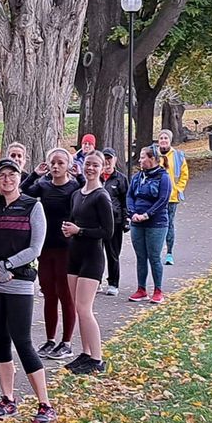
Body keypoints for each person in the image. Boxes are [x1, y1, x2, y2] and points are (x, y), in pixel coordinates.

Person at [0, 158, 54, 423]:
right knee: (1, 338)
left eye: (12, 175)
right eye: (2, 175)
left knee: (22, 340)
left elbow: (35, 248)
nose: (7, 179)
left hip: (19, 281)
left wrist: (6, 265)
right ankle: (8, 398)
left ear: (20, 177)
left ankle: (44, 403)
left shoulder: (33, 206)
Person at [23, 148, 80, 360]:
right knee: (49, 293)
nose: (56, 167)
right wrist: (35, 174)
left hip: (66, 248)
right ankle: (50, 340)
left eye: (60, 163)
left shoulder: (74, 187)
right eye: (52, 163)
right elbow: (22, 192)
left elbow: (89, 192)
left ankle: (67, 342)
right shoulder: (43, 186)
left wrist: (80, 175)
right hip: (45, 248)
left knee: (65, 294)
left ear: (67, 166)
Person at [61, 150, 114, 375]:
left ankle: (97, 358)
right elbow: (73, 220)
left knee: (85, 308)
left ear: (102, 169)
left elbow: (108, 231)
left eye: (95, 165)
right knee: (76, 307)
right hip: (74, 256)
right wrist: (68, 230)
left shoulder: (101, 196)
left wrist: (79, 231)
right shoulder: (77, 194)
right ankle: (85, 353)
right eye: (88, 164)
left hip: (92, 258)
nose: (90, 168)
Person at [126, 145, 172, 303]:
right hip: (137, 223)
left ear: (152, 159)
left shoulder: (163, 177)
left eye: (143, 157)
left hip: (156, 224)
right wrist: (133, 214)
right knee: (141, 256)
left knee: (154, 256)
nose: (140, 160)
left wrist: (147, 214)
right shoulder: (138, 177)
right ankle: (141, 289)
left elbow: (163, 200)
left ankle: (158, 290)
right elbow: (130, 196)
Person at [97, 149, 129, 296]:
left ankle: (113, 283)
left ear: (115, 160)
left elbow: (125, 202)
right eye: (105, 158)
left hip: (114, 222)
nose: (107, 161)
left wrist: (125, 220)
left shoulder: (121, 179)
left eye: (110, 158)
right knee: (96, 254)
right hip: (96, 222)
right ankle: (96, 281)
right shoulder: (96, 177)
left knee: (113, 254)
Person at [157, 129, 190, 264]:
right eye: (161, 138)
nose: (163, 140)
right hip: (156, 198)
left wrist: (178, 189)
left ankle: (169, 253)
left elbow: (184, 175)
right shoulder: (153, 154)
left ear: (170, 141)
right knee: (156, 226)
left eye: (166, 138)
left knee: (169, 224)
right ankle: (156, 252)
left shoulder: (178, 156)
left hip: (171, 197)